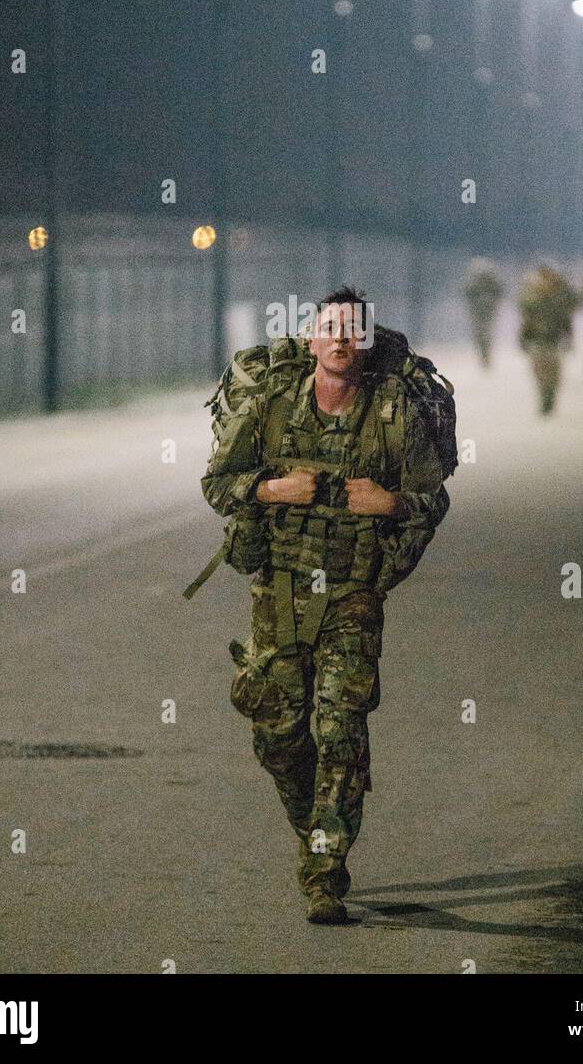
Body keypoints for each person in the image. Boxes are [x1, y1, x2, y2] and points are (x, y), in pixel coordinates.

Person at [199, 288, 451, 926]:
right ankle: (315, 827)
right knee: (279, 737)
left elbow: (433, 500)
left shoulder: (394, 413)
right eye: (329, 328)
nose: (340, 339)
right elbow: (217, 483)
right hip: (278, 593)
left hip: (351, 597)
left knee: (340, 734)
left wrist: (389, 506)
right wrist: (268, 486)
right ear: (310, 340)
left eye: (352, 330)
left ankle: (325, 875)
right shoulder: (272, 404)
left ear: (365, 342)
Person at [517, 264, 577, 414]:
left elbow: (566, 319)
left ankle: (551, 396)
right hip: (536, 340)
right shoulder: (531, 297)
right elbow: (525, 319)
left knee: (554, 373)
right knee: (539, 372)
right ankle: (543, 399)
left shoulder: (559, 297)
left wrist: (569, 338)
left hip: (553, 339)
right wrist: (522, 339)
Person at [461, 258, 504, 367]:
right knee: (479, 335)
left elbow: (499, 292)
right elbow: (466, 293)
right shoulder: (473, 282)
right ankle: (483, 356)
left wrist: (493, 303)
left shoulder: (492, 281)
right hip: (477, 312)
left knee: (485, 334)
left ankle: (486, 357)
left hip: (487, 311)